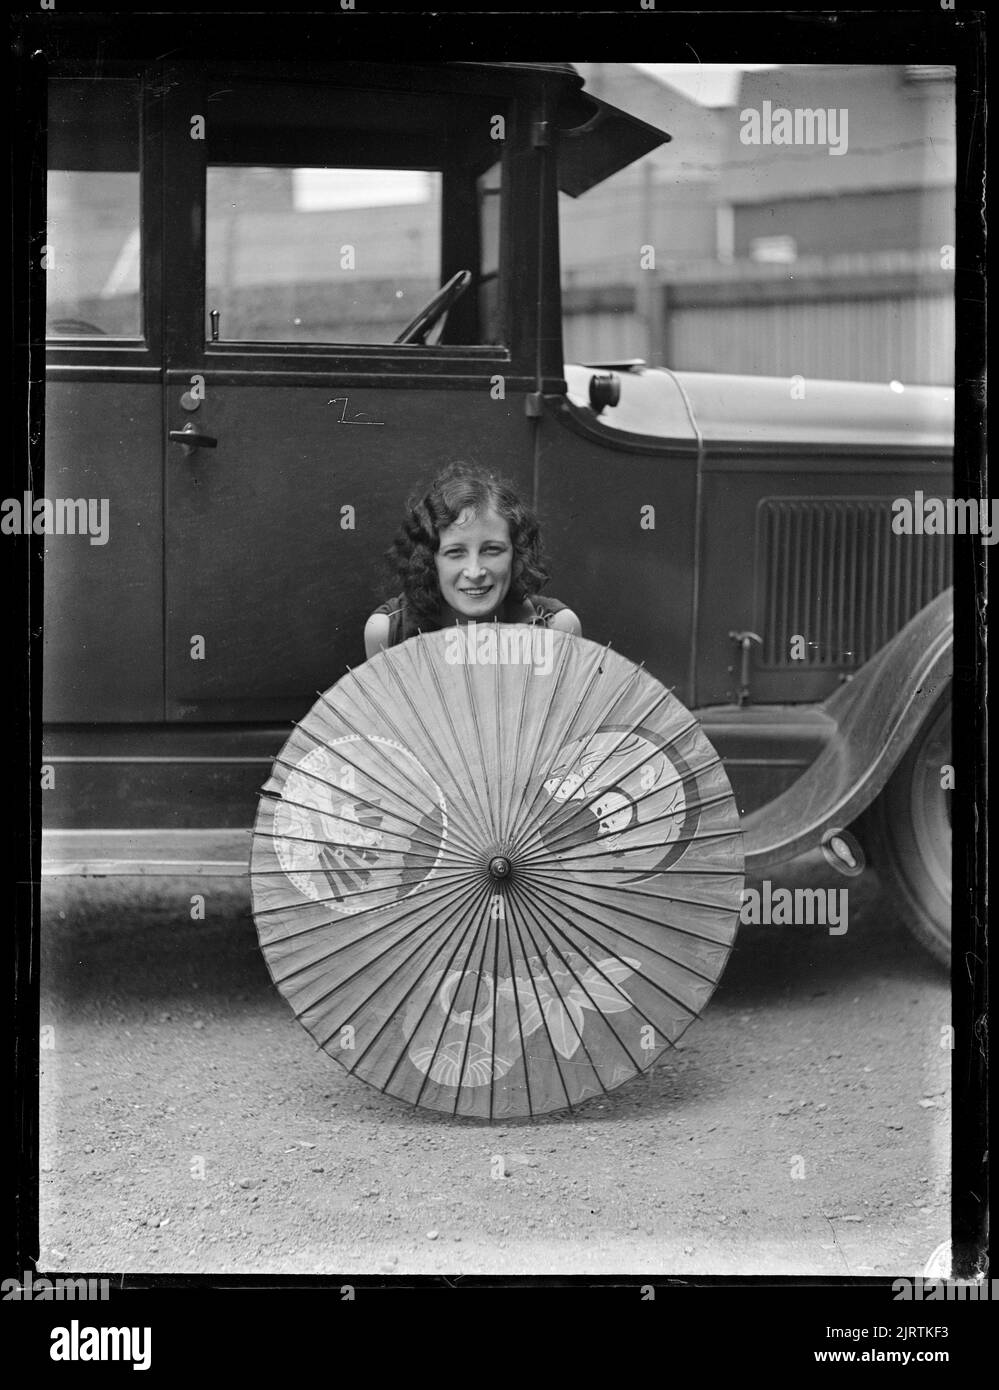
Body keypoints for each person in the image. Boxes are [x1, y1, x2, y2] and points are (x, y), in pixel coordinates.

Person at [363, 463, 581, 658]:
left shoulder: (557, 627)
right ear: (429, 559)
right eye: (455, 552)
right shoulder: (389, 632)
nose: (475, 572)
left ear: (517, 554)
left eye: (492, 550)